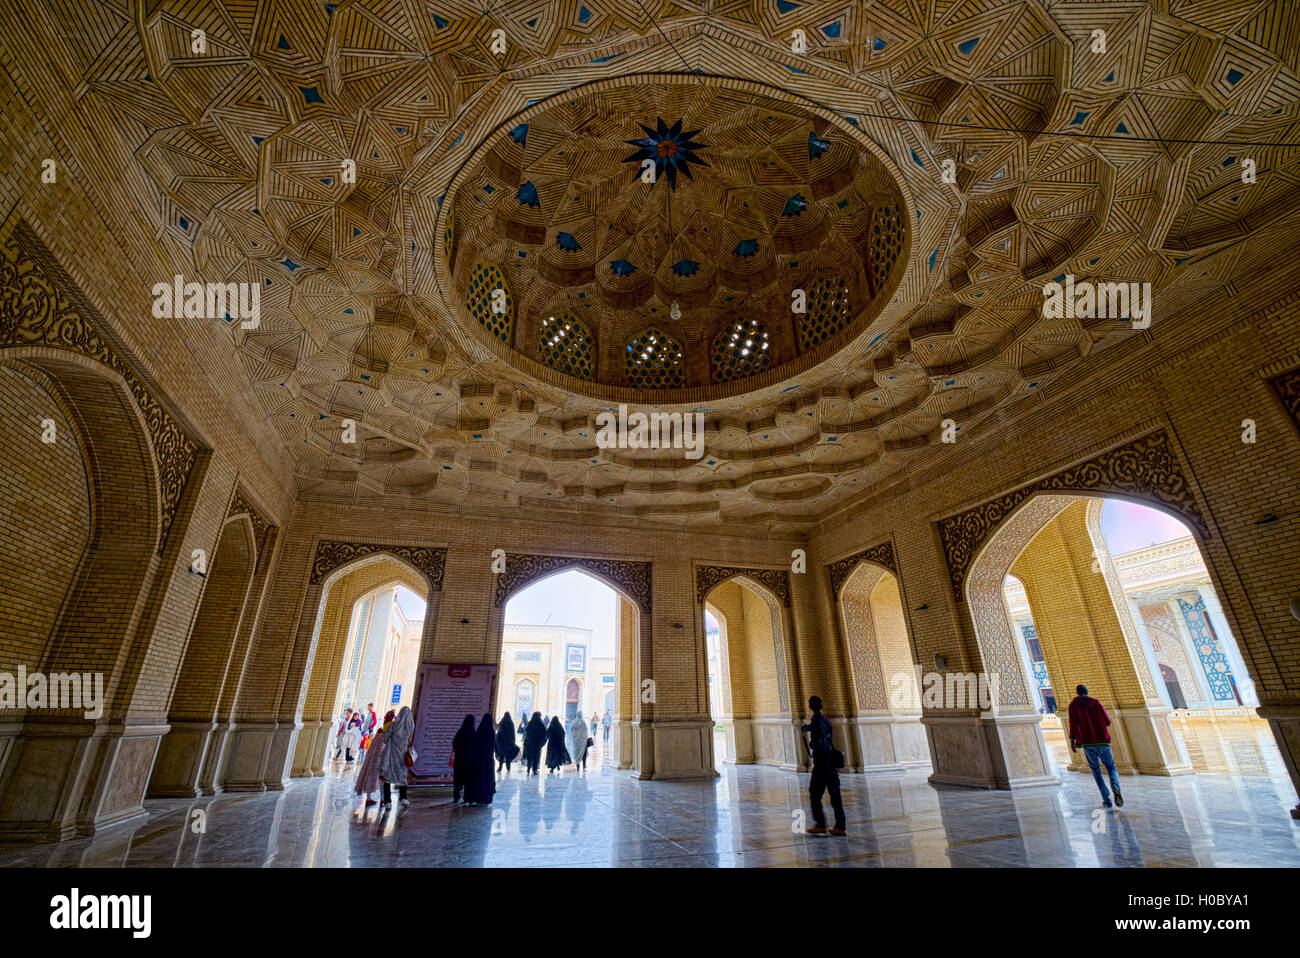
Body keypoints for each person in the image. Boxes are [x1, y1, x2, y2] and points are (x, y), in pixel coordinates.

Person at [1069, 684, 1124, 808]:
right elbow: (1108, 722)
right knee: (1111, 768)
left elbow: (1073, 724)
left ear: (1077, 693)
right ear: (1087, 692)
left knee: (1096, 770)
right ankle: (1115, 787)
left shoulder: (1074, 705)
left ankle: (1106, 799)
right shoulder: (1096, 703)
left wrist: (1072, 740)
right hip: (1103, 741)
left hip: (1088, 743)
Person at [801, 695, 846, 836]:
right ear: (822, 706)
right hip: (831, 764)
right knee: (835, 795)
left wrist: (811, 744)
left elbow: (819, 744)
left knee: (814, 794)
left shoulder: (816, 722)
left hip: (821, 764)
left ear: (810, 707)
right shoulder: (826, 721)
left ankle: (820, 824)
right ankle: (840, 825)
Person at [354, 709, 394, 805]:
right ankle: (383, 799)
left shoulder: (380, 732)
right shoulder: (387, 734)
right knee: (382, 781)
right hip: (382, 760)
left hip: (373, 759)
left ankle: (369, 798)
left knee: (371, 777)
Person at [378, 705, 414, 809]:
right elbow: (410, 741)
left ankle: (387, 801)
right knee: (402, 776)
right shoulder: (410, 727)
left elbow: (385, 737)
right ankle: (403, 798)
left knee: (388, 777)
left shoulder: (394, 725)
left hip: (391, 755)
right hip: (403, 756)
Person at [467, 713, 497, 806]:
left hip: (478, 759)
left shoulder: (479, 730)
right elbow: (493, 746)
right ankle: (484, 797)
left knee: (477, 777)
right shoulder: (491, 731)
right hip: (487, 760)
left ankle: (475, 797)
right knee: (486, 777)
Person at [451, 714, 476, 804]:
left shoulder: (461, 731)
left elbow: (454, 743)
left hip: (459, 760)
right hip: (469, 760)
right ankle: (466, 797)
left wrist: (460, 751)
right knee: (467, 780)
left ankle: (456, 797)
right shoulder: (473, 732)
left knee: (458, 779)